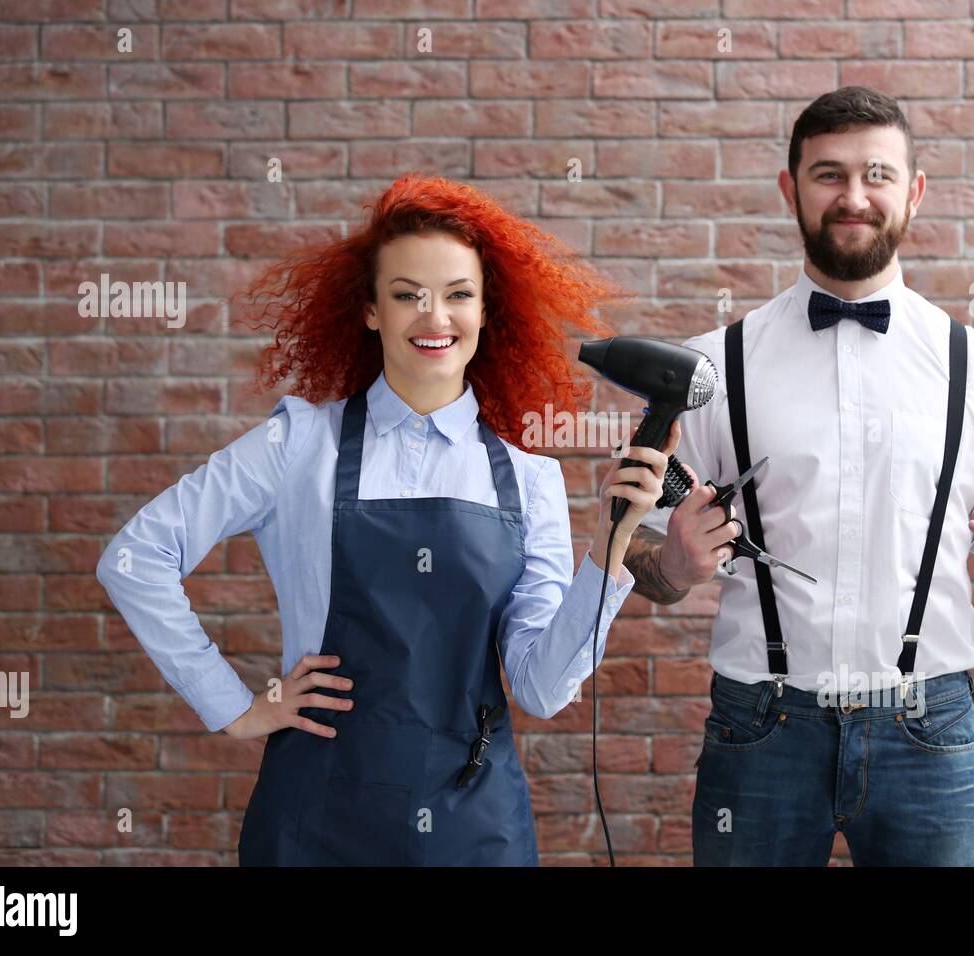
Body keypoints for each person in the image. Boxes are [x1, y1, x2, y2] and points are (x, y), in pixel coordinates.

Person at [96, 173, 677, 866]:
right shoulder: (299, 445)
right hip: (318, 815)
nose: (436, 318)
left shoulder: (528, 477)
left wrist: (611, 549)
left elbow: (542, 689)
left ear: (489, 310)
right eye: (408, 295)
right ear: (370, 310)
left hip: (470, 823)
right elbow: (134, 557)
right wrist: (231, 704)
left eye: (459, 294)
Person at [629, 86, 974, 866]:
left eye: (877, 174)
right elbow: (645, 566)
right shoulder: (711, 366)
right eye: (828, 174)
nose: (854, 196)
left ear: (914, 191)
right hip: (759, 729)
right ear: (790, 189)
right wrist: (671, 562)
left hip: (926, 729)